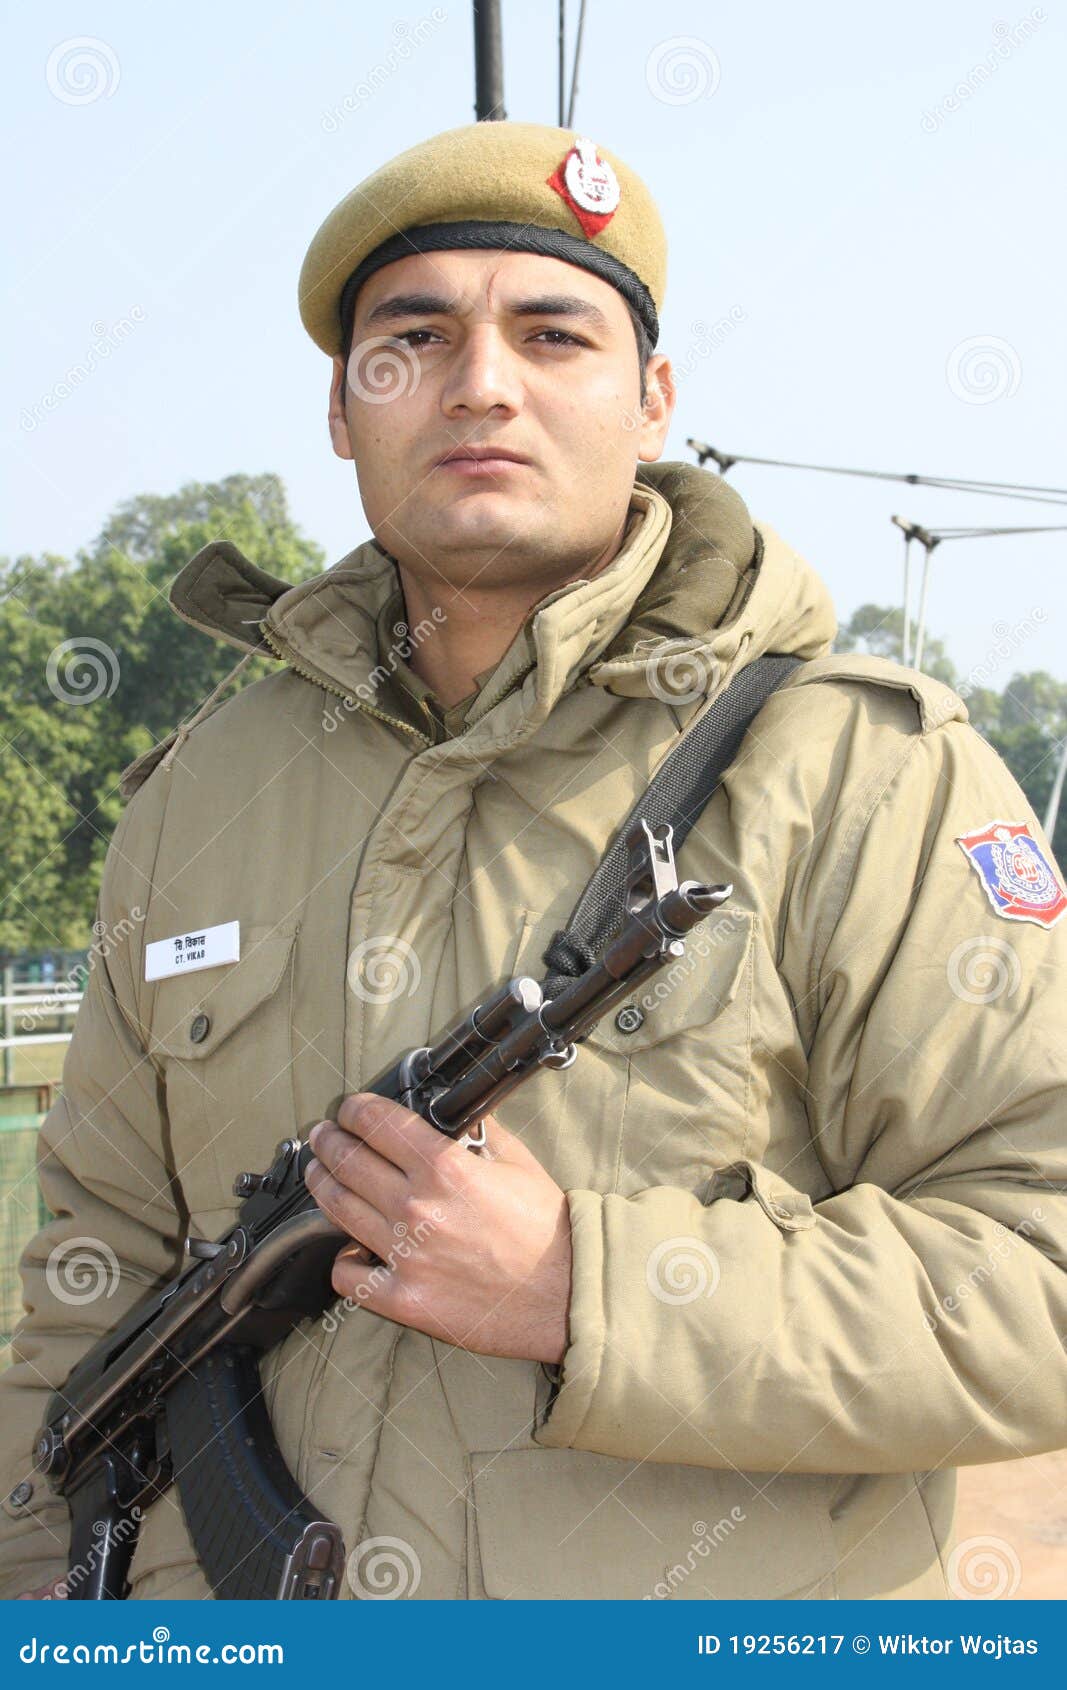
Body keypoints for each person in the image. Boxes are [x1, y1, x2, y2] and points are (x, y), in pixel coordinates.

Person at [2, 121, 1065, 1603]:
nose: (481, 381)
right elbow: (90, 1284)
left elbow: (1045, 1274)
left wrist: (596, 1289)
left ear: (653, 400)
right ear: (342, 404)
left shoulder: (860, 770)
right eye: (415, 335)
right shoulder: (204, 797)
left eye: (553, 333)